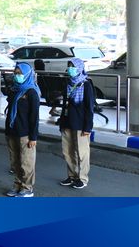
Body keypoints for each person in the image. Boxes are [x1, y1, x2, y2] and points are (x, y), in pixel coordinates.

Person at [5, 62, 40, 198]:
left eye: (20, 73)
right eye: (16, 73)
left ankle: (27, 187)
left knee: (26, 162)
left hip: (25, 133)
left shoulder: (31, 92)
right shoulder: (14, 90)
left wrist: (33, 137)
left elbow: (34, 117)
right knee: (15, 161)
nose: (17, 76)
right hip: (12, 130)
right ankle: (18, 184)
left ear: (27, 74)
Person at [59, 58, 94, 189]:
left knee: (81, 152)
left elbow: (89, 108)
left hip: (80, 124)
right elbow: (64, 105)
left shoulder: (86, 85)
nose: (70, 69)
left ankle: (82, 178)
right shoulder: (67, 83)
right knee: (67, 151)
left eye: (72, 67)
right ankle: (72, 175)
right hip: (67, 122)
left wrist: (87, 127)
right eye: (69, 66)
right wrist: (61, 122)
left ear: (79, 68)